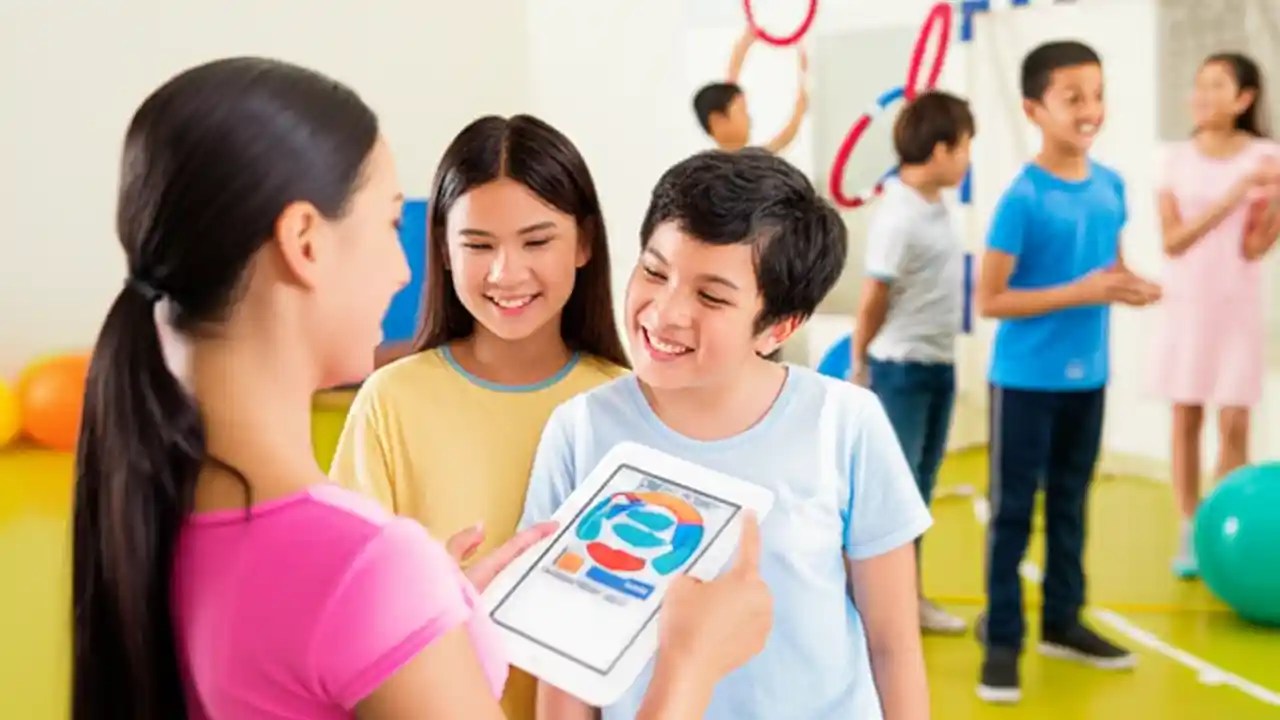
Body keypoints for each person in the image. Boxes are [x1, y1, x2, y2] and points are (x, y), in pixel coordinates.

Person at [69, 56, 774, 720]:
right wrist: (689, 667)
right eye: (387, 223)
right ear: (305, 241)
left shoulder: (156, 512)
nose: (404, 272)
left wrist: (434, 621)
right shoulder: (367, 563)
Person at [522, 149, 932, 720]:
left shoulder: (845, 424)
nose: (664, 314)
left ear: (779, 326)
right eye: (654, 271)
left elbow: (894, 645)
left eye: (711, 296)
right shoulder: (580, 430)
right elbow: (564, 665)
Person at [327, 114, 630, 720]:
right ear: (443, 248)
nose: (506, 273)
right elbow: (341, 619)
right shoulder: (392, 402)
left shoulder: (629, 404)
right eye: (478, 245)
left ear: (585, 243)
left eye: (536, 241)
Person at [974, 40, 1161, 705]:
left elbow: (1107, 269)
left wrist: (1132, 285)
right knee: (1013, 514)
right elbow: (990, 299)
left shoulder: (1111, 186)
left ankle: (1062, 622)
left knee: (1074, 507)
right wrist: (1082, 291)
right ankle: (1001, 638)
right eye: (1072, 97)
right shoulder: (1021, 199)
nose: (1090, 110)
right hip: (1024, 382)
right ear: (1035, 108)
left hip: (1089, 379)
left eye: (1097, 95)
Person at [1152, 52, 1280, 579]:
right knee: (1186, 416)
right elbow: (1174, 241)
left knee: (1233, 420)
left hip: (1236, 308)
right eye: (1199, 84)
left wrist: (1272, 205)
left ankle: (1224, 527)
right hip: (1185, 307)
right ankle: (1189, 525)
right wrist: (1233, 195)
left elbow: (1254, 248)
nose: (1203, 95)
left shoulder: (1265, 155)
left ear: (1244, 99)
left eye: (1217, 85)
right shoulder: (1174, 160)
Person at [852, 89, 975, 636]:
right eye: (966, 145)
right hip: (900, 369)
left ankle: (907, 598)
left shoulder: (934, 205)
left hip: (937, 365)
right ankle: (881, 607)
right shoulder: (897, 215)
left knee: (919, 493)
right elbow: (874, 296)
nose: (968, 158)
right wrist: (860, 362)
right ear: (942, 149)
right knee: (895, 496)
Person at [692, 26, 808, 154]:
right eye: (742, 112)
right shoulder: (746, 159)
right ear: (717, 121)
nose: (749, 119)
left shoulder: (751, 157)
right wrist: (799, 109)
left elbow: (732, 80)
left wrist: (746, 42)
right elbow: (783, 139)